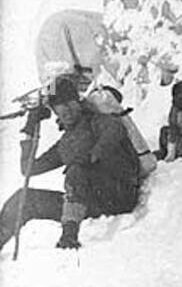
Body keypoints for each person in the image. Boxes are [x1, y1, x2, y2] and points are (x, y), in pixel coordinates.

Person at [0, 76, 141, 252]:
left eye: (69, 103)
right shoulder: (66, 143)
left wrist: (92, 156)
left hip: (119, 194)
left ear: (78, 101)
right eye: (59, 107)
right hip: (88, 201)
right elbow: (29, 169)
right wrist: (30, 129)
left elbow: (114, 132)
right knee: (24, 198)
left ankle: (69, 237)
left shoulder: (98, 121)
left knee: (76, 169)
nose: (66, 110)